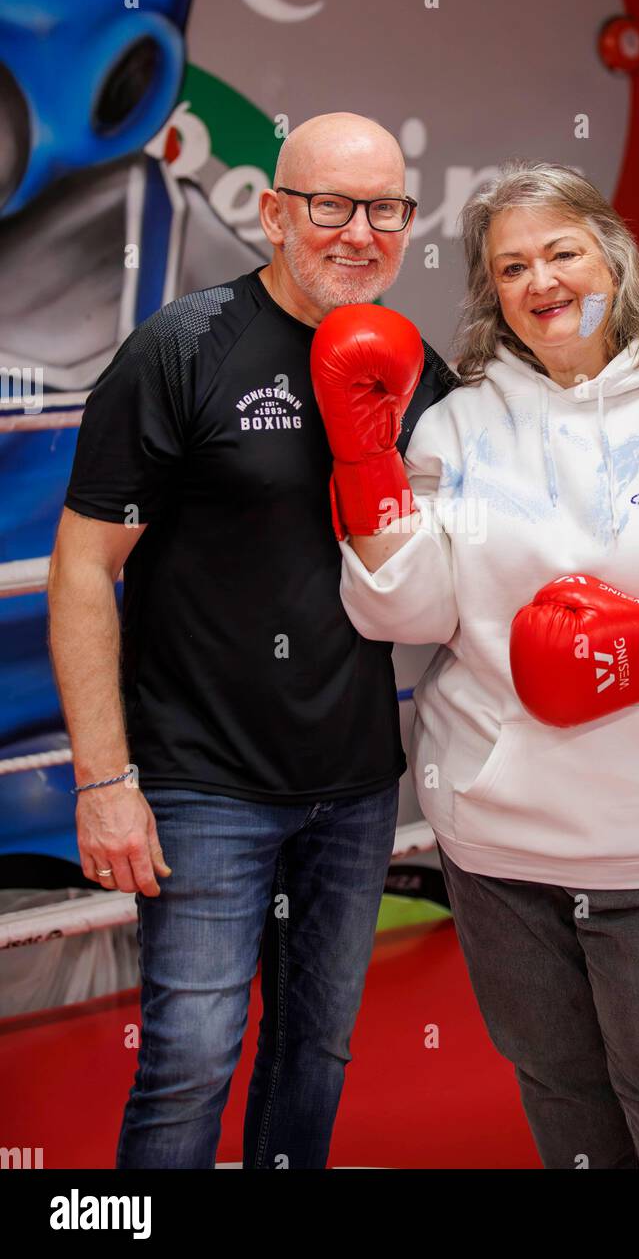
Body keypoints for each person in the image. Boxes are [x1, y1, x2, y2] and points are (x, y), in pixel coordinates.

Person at [319, 159, 639, 1169]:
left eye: (560, 250)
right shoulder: (456, 425)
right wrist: (365, 462)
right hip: (499, 842)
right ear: (493, 296)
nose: (540, 278)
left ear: (611, 256)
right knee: (557, 1081)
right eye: (510, 265)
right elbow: (407, 610)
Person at [46, 112, 458, 1169]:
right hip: (202, 781)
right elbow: (84, 568)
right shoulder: (185, 349)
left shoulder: (415, 373)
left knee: (314, 1050)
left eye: (384, 208)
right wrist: (104, 780)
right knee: (188, 1056)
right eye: (329, 204)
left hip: (356, 779)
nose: (358, 231)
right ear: (274, 213)